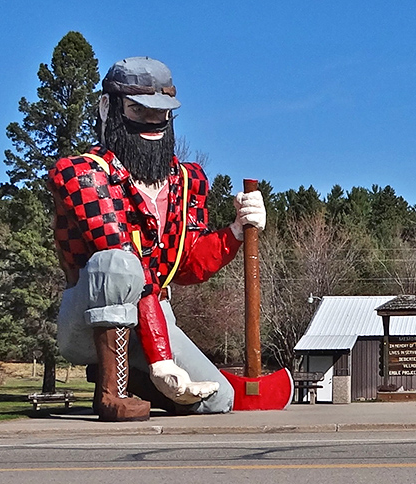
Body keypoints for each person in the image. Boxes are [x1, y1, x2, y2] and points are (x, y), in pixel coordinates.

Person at [48, 56, 266, 421]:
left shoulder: (187, 180)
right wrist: (161, 355)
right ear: (108, 108)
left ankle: (137, 378)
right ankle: (110, 393)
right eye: (138, 110)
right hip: (88, 317)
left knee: (218, 399)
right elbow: (126, 260)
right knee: (117, 264)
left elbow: (188, 264)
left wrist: (235, 232)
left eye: (160, 112)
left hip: (156, 317)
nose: (152, 122)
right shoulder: (82, 174)